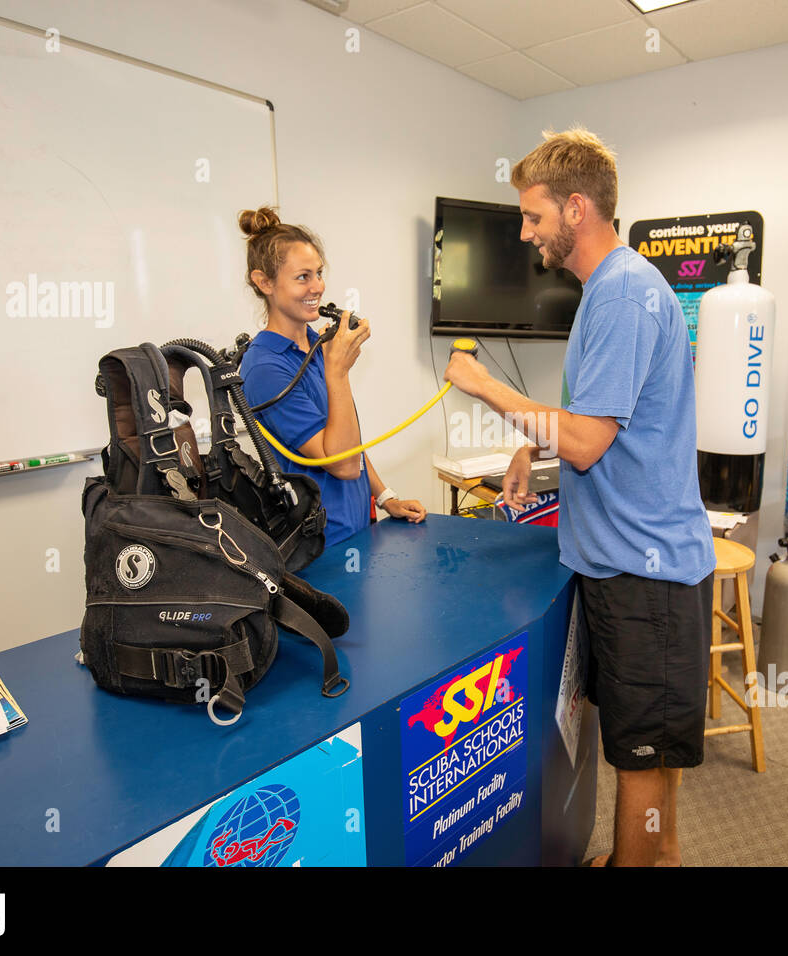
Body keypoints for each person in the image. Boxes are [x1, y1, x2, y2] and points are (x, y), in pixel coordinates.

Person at [443, 129, 715, 867]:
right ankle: (658, 860)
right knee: (648, 746)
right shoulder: (613, 288)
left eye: (533, 217)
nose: (526, 232)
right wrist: (533, 443)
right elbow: (596, 420)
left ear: (576, 206)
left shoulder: (624, 293)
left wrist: (485, 386)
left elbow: (590, 441)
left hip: (644, 574)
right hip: (633, 565)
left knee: (639, 756)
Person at [236, 207, 425, 545]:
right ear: (264, 282)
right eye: (302, 277)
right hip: (319, 545)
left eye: (319, 273)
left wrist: (386, 498)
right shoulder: (264, 369)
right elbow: (344, 465)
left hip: (358, 531)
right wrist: (338, 372)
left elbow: (349, 441)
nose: (318, 287)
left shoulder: (317, 344)